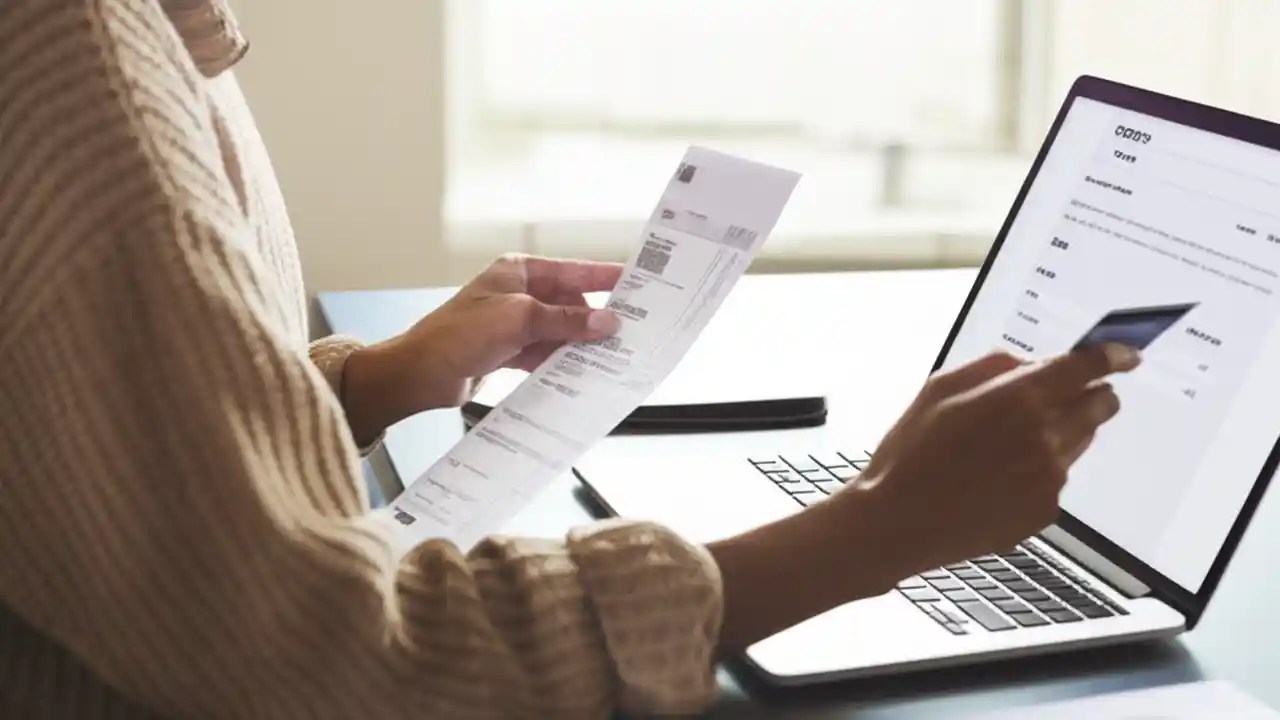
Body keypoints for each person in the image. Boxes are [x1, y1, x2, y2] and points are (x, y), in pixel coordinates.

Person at [0, 1, 1139, 718]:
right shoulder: (74, 51)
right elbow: (325, 666)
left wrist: (367, 384)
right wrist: (876, 531)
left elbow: (72, 440)